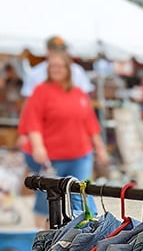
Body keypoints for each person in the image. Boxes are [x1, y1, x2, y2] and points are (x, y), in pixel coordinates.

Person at [18, 50, 108, 227]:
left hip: (80, 154)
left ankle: (86, 233)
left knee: (80, 194)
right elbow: (33, 121)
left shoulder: (78, 94)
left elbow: (90, 123)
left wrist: (101, 148)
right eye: (52, 66)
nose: (55, 69)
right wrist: (37, 146)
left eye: (59, 66)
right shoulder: (41, 91)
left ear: (68, 69)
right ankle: (46, 237)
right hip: (50, 156)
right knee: (50, 197)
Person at [22, 35, 93, 97]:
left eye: (62, 50)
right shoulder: (35, 73)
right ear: (48, 52)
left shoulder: (77, 70)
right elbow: (28, 99)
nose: (60, 54)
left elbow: (86, 94)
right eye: (56, 51)